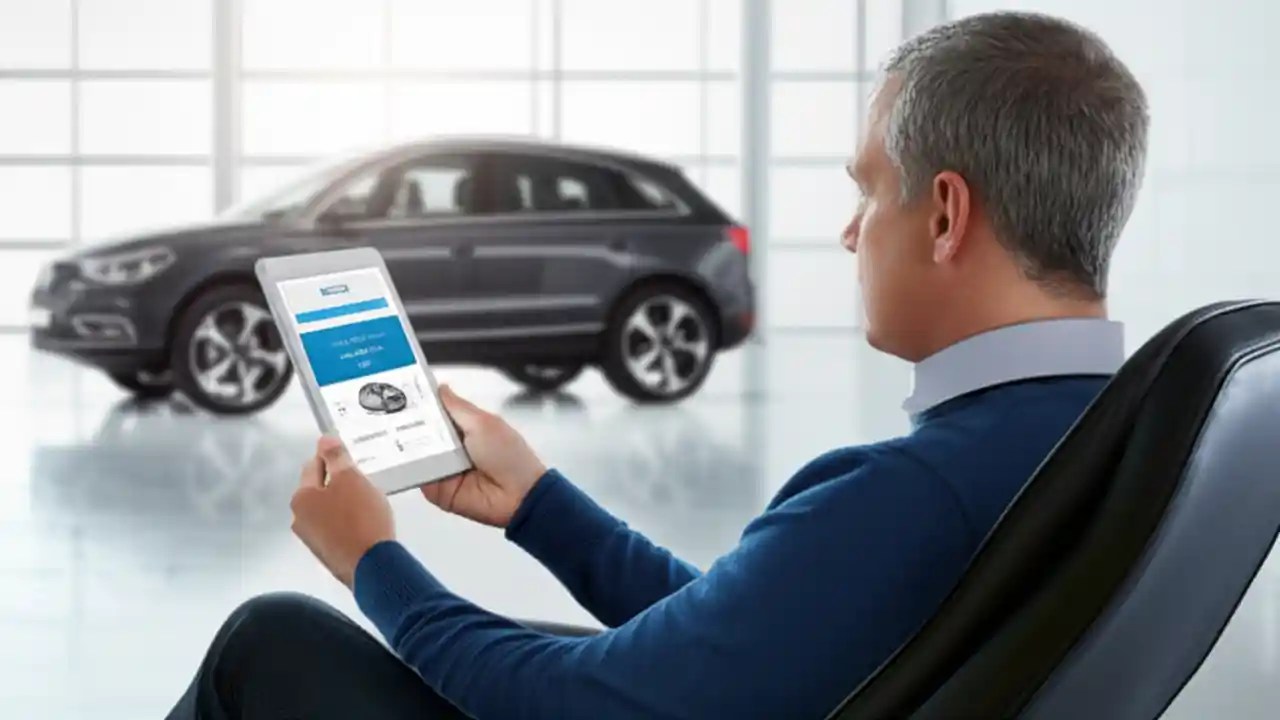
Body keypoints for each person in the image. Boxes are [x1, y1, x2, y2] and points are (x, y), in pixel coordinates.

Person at [167, 11, 1148, 720]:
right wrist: (540, 507)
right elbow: (735, 639)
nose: (850, 234)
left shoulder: (906, 494)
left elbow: (581, 704)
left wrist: (369, 560)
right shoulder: (1103, 433)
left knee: (271, 643)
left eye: (868, 193)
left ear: (942, 215)